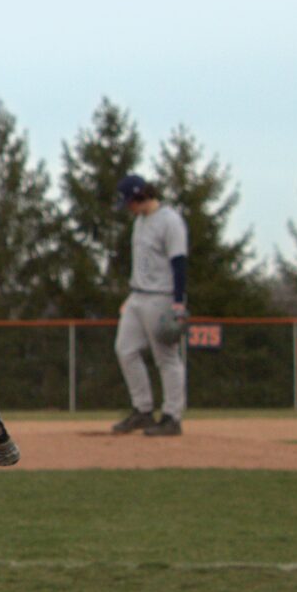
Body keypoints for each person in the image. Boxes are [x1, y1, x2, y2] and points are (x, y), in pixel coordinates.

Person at [110, 173, 190, 436]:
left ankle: (172, 416)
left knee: (166, 357)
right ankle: (143, 410)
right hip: (138, 296)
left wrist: (178, 301)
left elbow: (179, 263)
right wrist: (134, 290)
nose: (128, 208)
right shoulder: (141, 222)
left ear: (139, 196)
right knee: (125, 350)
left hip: (162, 297)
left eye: (129, 202)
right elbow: (144, 261)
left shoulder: (170, 221)